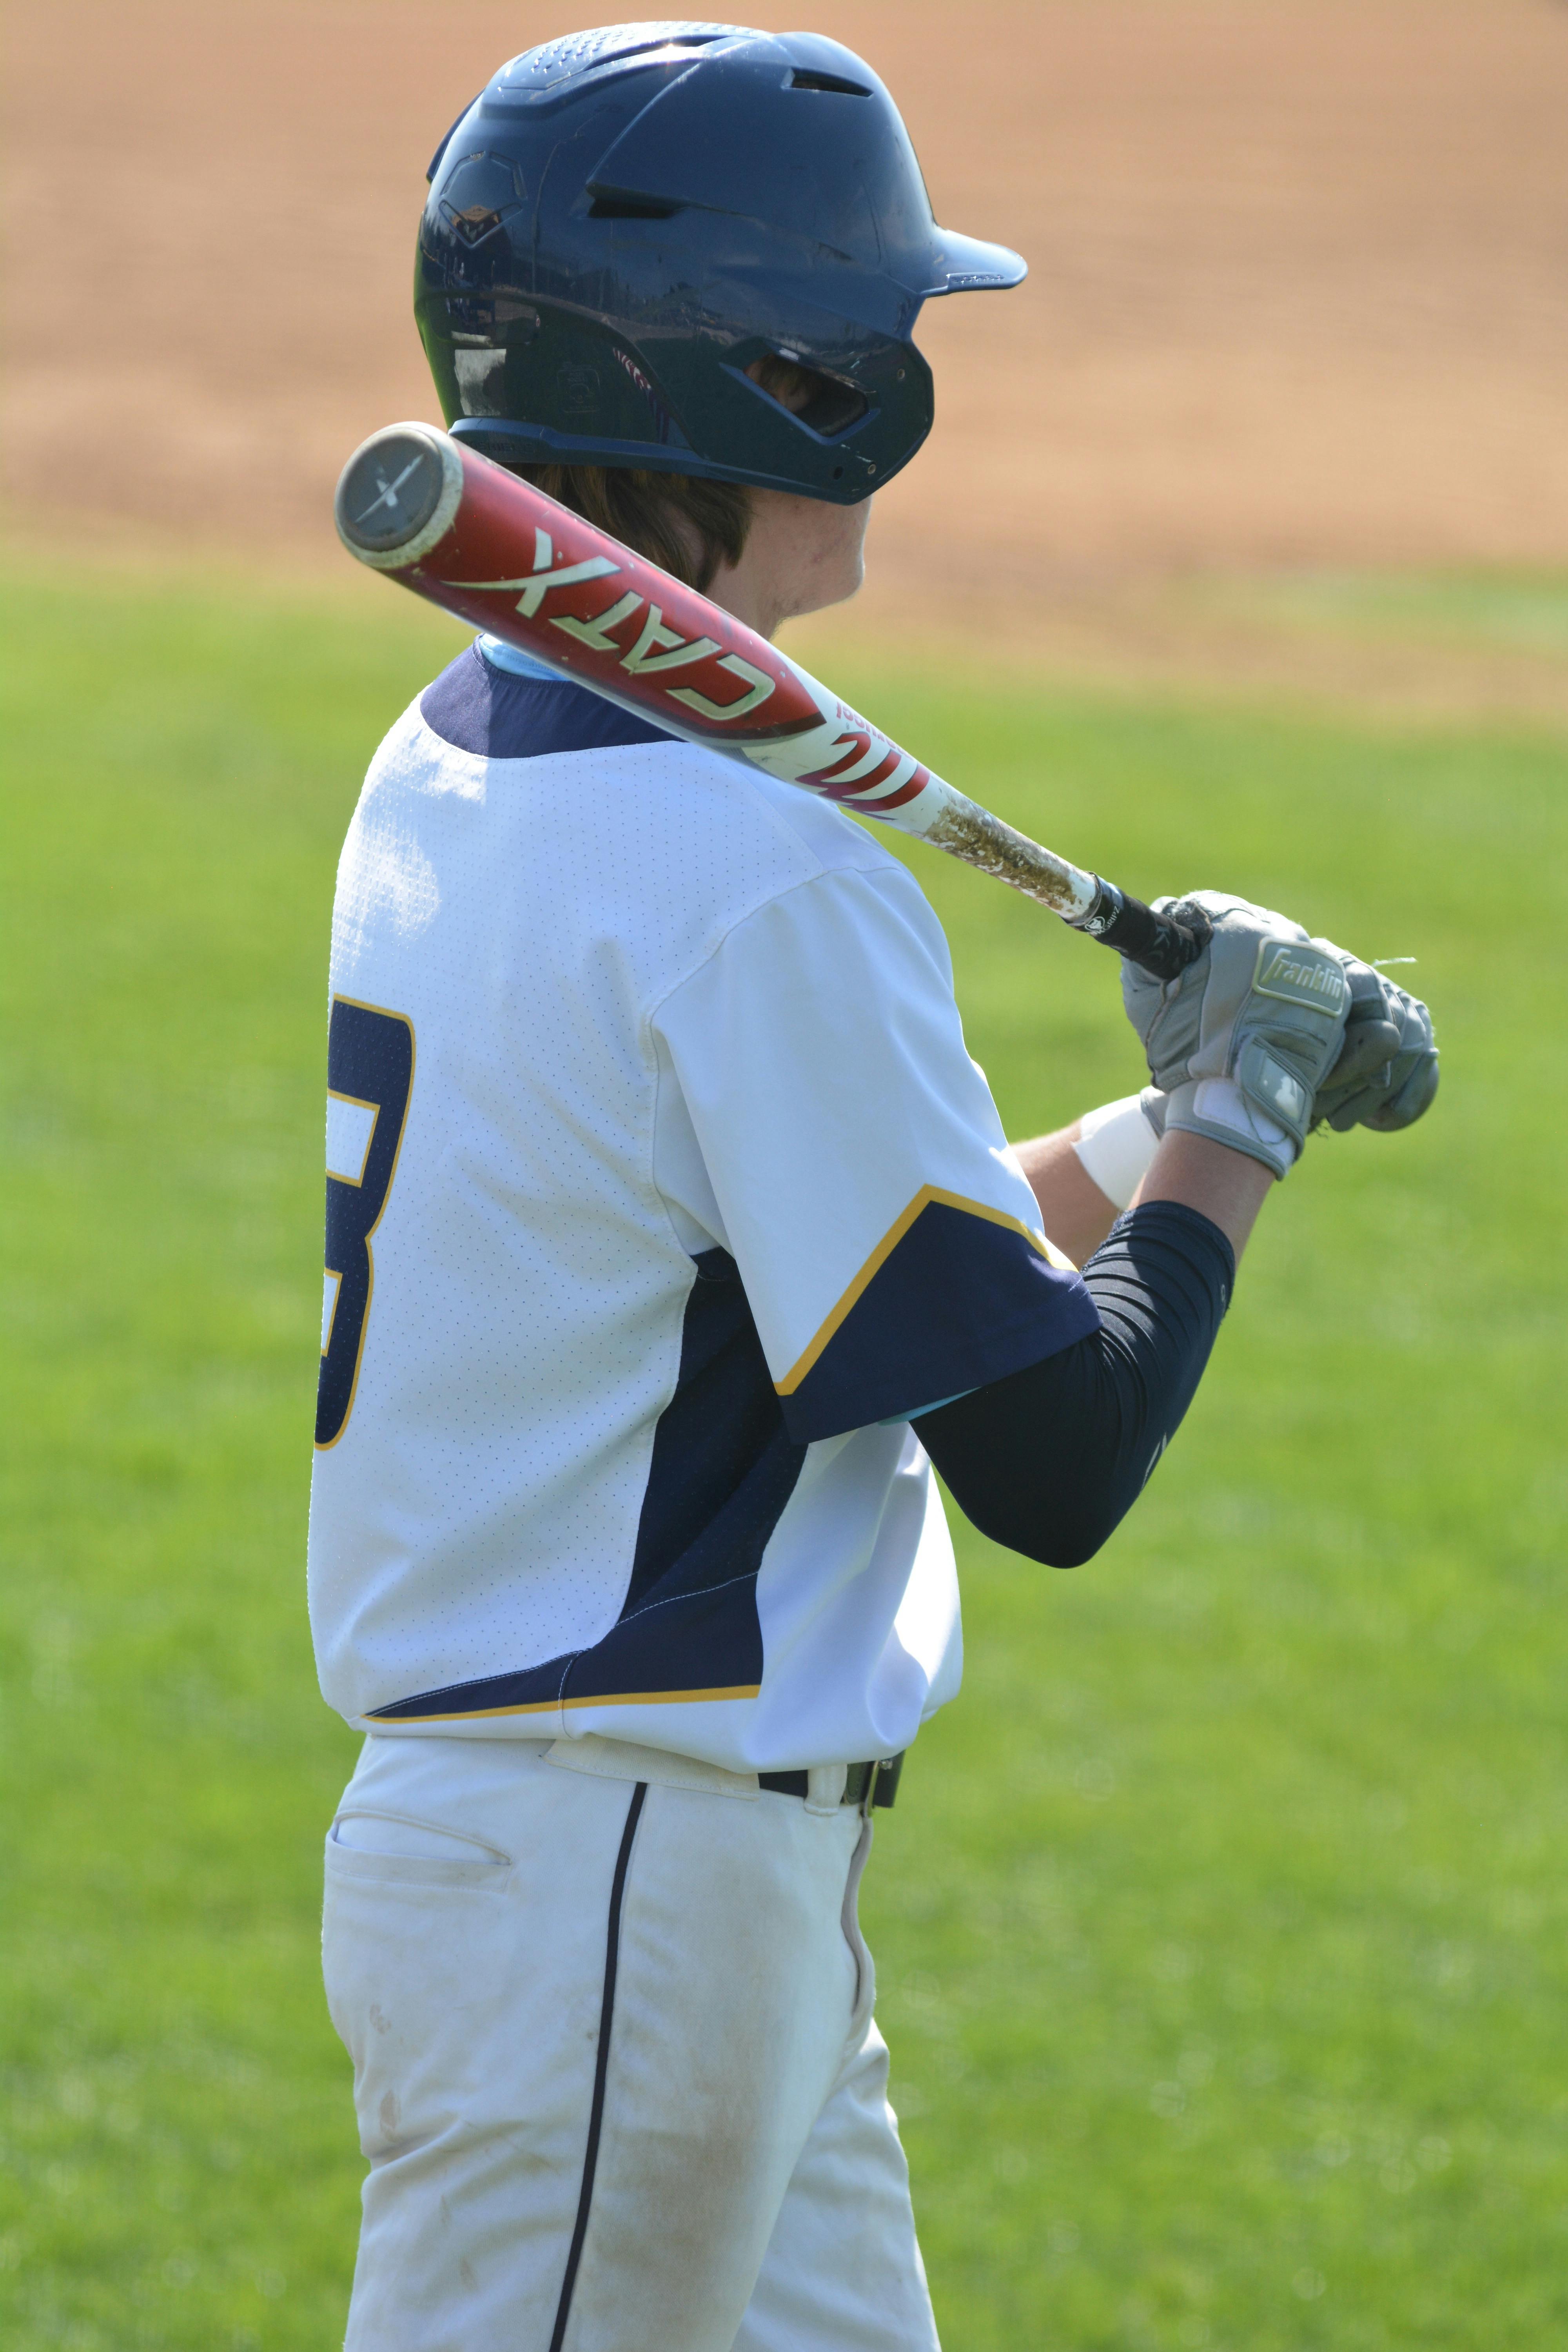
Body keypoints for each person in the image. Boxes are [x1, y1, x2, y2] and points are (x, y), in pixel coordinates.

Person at [309, 25, 1437, 2352]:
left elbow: (811, 1279)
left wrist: (1161, 1122)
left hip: (643, 1875)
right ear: (790, 388)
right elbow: (1052, 1455)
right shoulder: (759, 879)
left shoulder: (458, 763)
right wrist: (1240, 1125)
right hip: (619, 1883)